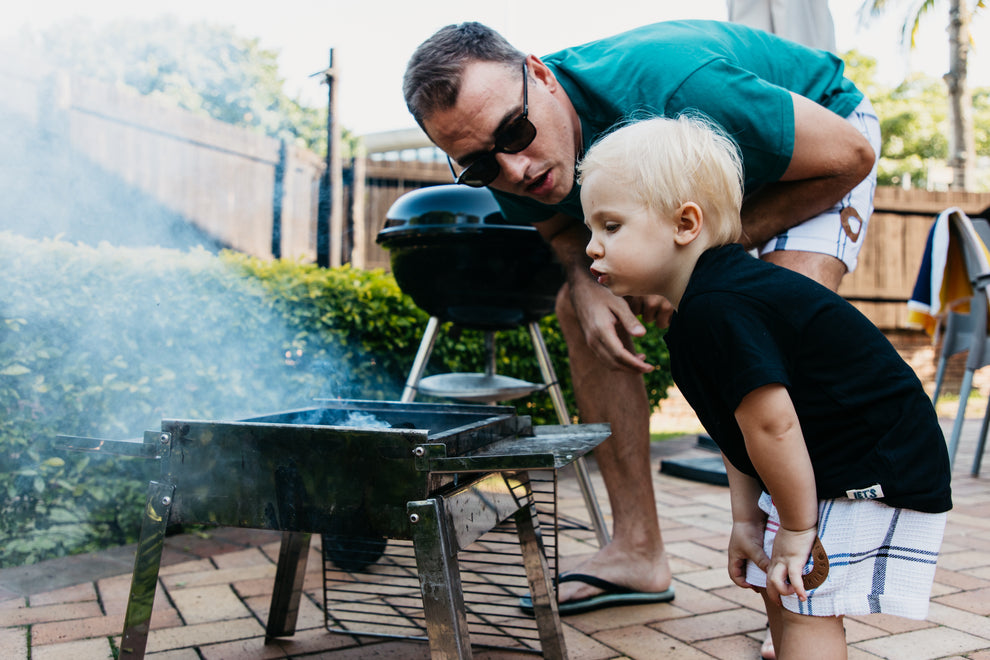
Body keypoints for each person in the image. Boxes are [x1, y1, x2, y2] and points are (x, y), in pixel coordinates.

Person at [402, 19, 879, 615]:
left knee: (771, 319)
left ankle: (805, 577)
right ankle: (637, 551)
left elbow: (849, 158)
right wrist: (584, 284)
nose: (515, 170)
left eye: (517, 132)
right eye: (479, 166)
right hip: (708, 192)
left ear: (541, 76)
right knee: (577, 310)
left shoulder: (673, 84)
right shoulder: (495, 154)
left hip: (816, 146)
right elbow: (561, 232)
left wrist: (698, 259)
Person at [579, 114, 951, 659]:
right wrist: (746, 519)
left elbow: (773, 426)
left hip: (873, 462)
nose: (591, 247)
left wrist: (797, 529)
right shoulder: (700, 310)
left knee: (804, 602)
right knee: (781, 590)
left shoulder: (722, 307)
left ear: (685, 223)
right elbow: (737, 432)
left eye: (610, 226)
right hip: (832, 462)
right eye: (590, 230)